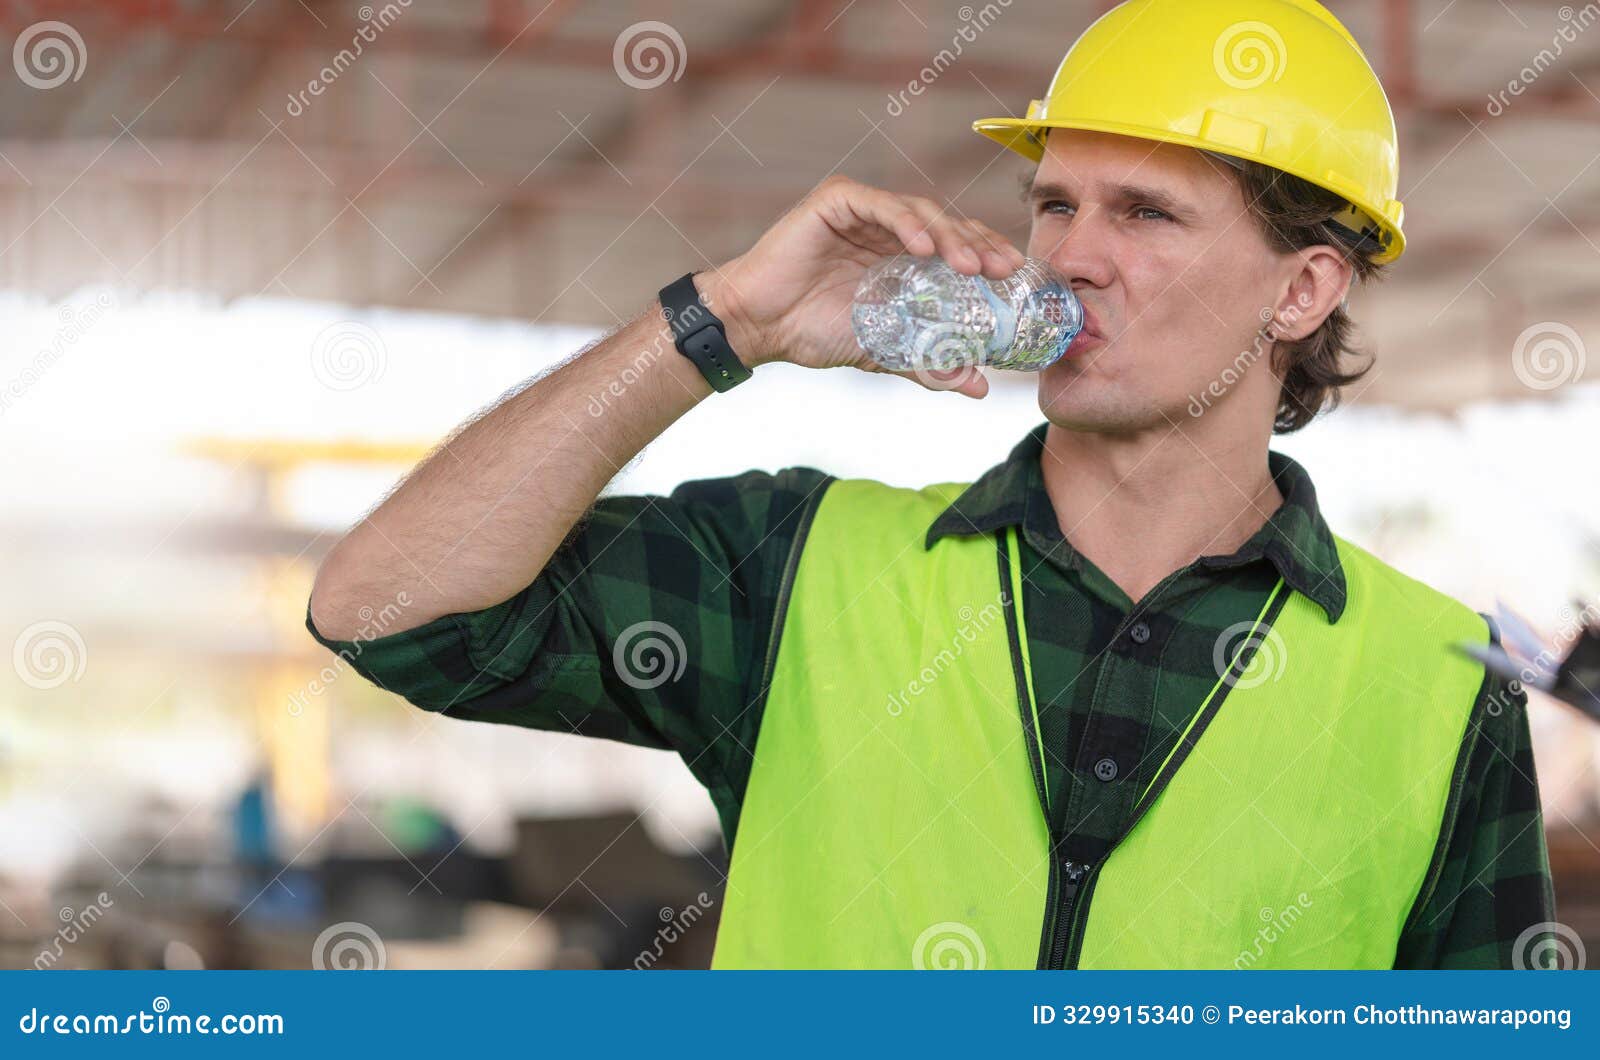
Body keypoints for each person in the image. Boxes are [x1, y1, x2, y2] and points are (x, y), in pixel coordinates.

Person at [307, 0, 1556, 969]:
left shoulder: (1444, 687)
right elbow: (386, 609)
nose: (1069, 255)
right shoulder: (793, 565)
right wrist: (722, 324)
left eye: (1145, 214)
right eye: (1055, 203)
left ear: (1302, 290)